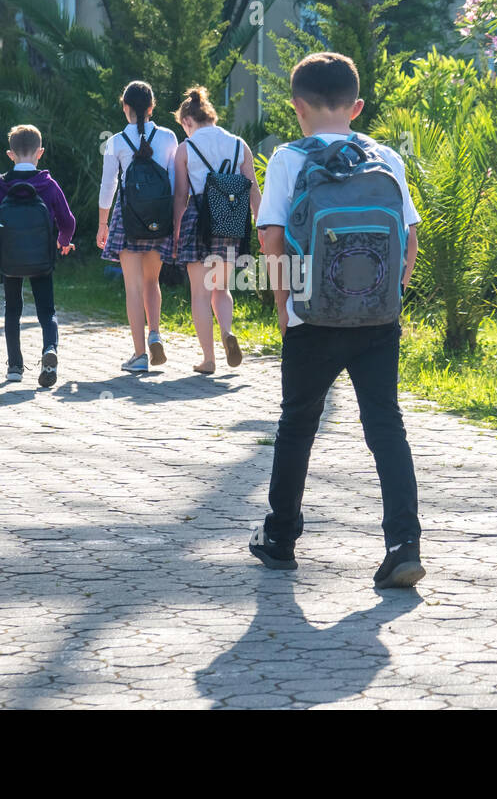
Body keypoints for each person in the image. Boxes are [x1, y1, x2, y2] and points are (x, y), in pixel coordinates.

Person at [248, 52, 425, 589]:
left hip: (312, 319)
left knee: (297, 424)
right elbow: (409, 237)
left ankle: (280, 538)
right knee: (385, 425)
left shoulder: (287, 159)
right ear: (358, 106)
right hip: (377, 319)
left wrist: (284, 306)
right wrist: (389, 294)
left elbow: (271, 238)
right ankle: (403, 544)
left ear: (297, 106)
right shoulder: (386, 157)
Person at [0, 124, 76, 387]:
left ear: (11, 155)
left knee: (12, 310)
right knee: (47, 310)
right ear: (39, 153)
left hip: (10, 260)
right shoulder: (48, 184)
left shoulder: (0, 186)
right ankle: (49, 349)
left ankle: (15, 366)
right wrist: (63, 241)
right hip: (42, 259)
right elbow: (68, 221)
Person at [171, 86, 261, 374]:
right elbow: (253, 188)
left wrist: (175, 231)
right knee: (221, 289)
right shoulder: (239, 144)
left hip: (199, 220)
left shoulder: (186, 149)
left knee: (200, 293)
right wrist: (260, 224)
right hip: (231, 221)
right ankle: (226, 332)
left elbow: (181, 196)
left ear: (187, 121)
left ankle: (208, 359)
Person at [96, 81, 179, 373]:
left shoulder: (116, 141)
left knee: (132, 287)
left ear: (125, 107)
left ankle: (139, 354)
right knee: (151, 281)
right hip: (159, 219)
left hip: (128, 218)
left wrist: (102, 224)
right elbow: (174, 182)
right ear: (152, 108)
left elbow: (109, 186)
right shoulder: (169, 137)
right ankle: (155, 332)